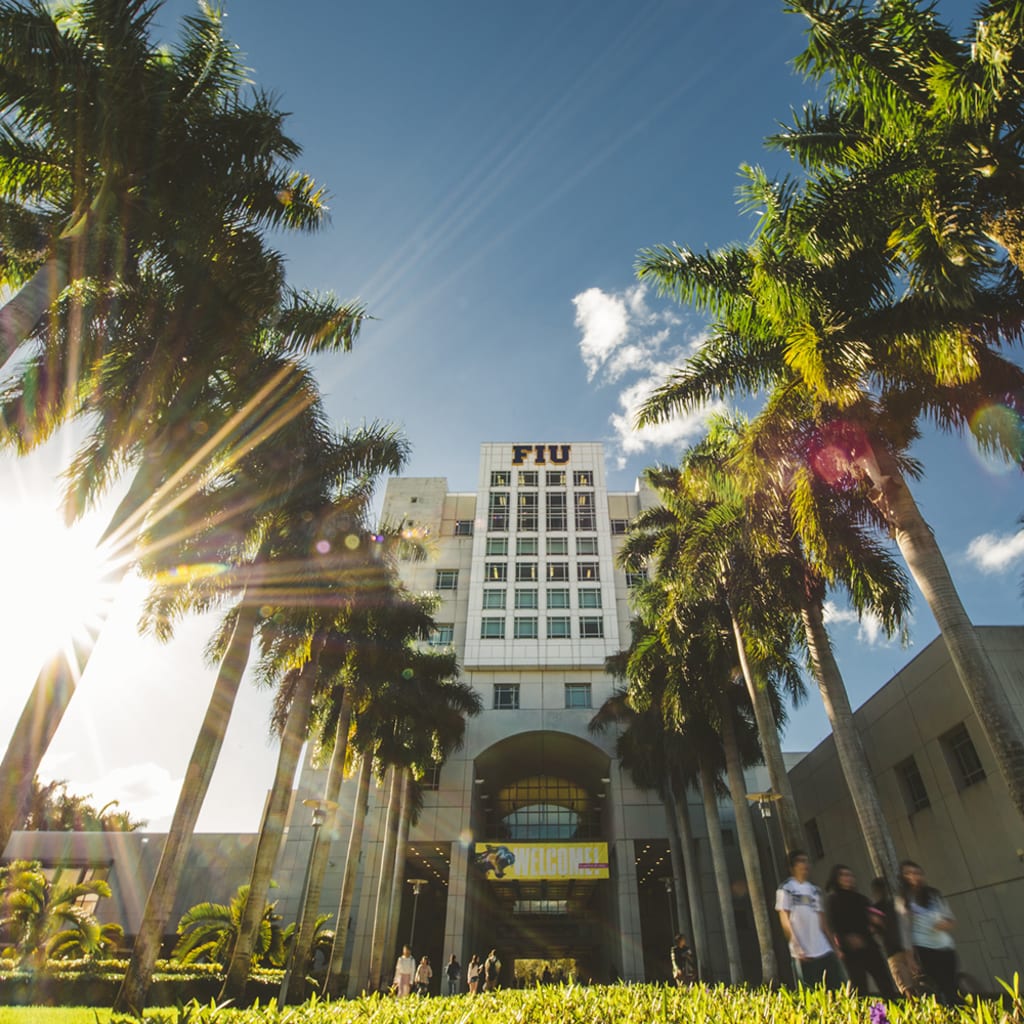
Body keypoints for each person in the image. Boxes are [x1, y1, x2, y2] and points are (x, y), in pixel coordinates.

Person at [824, 864, 898, 998]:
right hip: (850, 950)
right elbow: (832, 925)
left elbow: (873, 917)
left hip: (869, 945)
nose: (848, 878)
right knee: (859, 986)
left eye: (850, 875)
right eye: (844, 875)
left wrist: (876, 923)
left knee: (884, 982)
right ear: (836, 878)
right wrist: (842, 944)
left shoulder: (861, 899)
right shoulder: (833, 900)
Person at [776, 849, 843, 989]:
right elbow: (785, 920)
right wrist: (796, 944)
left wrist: (835, 947)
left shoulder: (815, 891)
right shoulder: (786, 889)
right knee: (812, 994)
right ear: (792, 867)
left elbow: (822, 921)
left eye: (806, 861)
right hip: (803, 954)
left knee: (838, 990)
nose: (805, 864)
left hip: (824, 950)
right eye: (801, 861)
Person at [896, 860, 959, 1004]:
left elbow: (950, 918)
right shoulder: (903, 900)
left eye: (916, 873)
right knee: (941, 986)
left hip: (945, 946)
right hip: (924, 948)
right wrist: (910, 958)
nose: (913, 876)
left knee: (952, 985)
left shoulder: (934, 894)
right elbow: (905, 930)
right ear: (903, 877)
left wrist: (945, 924)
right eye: (908, 873)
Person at [870, 875, 918, 997]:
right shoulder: (895, 904)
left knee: (906, 987)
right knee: (917, 982)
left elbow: (872, 928)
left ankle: (917, 1010)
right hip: (908, 948)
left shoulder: (875, 910)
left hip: (893, 952)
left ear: (875, 891)